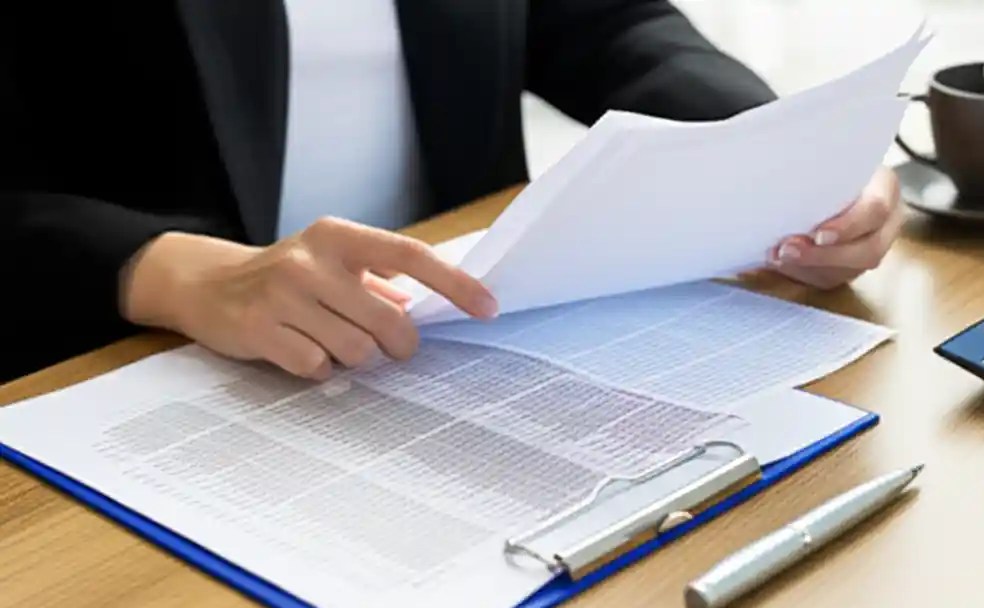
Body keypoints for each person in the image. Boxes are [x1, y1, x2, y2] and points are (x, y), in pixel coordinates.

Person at [0, 1, 902, 384]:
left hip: (442, 357)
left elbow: (611, 25)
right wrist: (175, 273)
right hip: (133, 370)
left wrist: (784, 156)